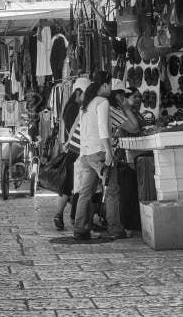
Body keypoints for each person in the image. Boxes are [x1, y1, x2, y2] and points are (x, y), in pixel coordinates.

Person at [73, 72, 126, 240]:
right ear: (104, 85)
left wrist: (83, 154)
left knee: (85, 193)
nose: (111, 89)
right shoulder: (102, 102)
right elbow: (104, 130)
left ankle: (81, 229)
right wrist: (109, 152)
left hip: (88, 153)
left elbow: (83, 133)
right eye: (110, 85)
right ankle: (115, 230)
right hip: (100, 153)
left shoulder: (85, 106)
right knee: (112, 191)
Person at [52, 77, 91, 230]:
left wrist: (67, 142)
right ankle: (76, 217)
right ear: (80, 92)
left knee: (68, 185)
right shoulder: (79, 107)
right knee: (80, 185)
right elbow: (77, 128)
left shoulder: (69, 107)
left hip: (71, 149)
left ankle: (59, 214)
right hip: (78, 149)